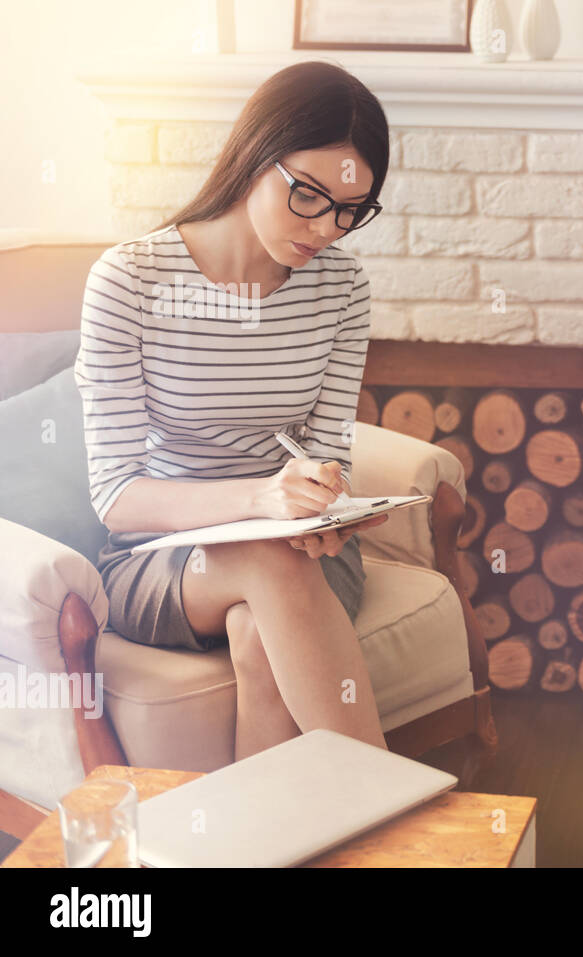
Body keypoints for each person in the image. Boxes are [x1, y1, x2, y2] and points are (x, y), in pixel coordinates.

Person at [74, 62, 392, 760]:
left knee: (259, 630)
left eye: (349, 211)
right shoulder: (130, 280)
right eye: (307, 196)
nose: (326, 230)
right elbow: (117, 497)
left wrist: (324, 504)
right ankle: (396, 813)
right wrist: (261, 499)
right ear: (255, 153)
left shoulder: (342, 288)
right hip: (161, 558)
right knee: (262, 556)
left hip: (304, 547)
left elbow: (330, 450)